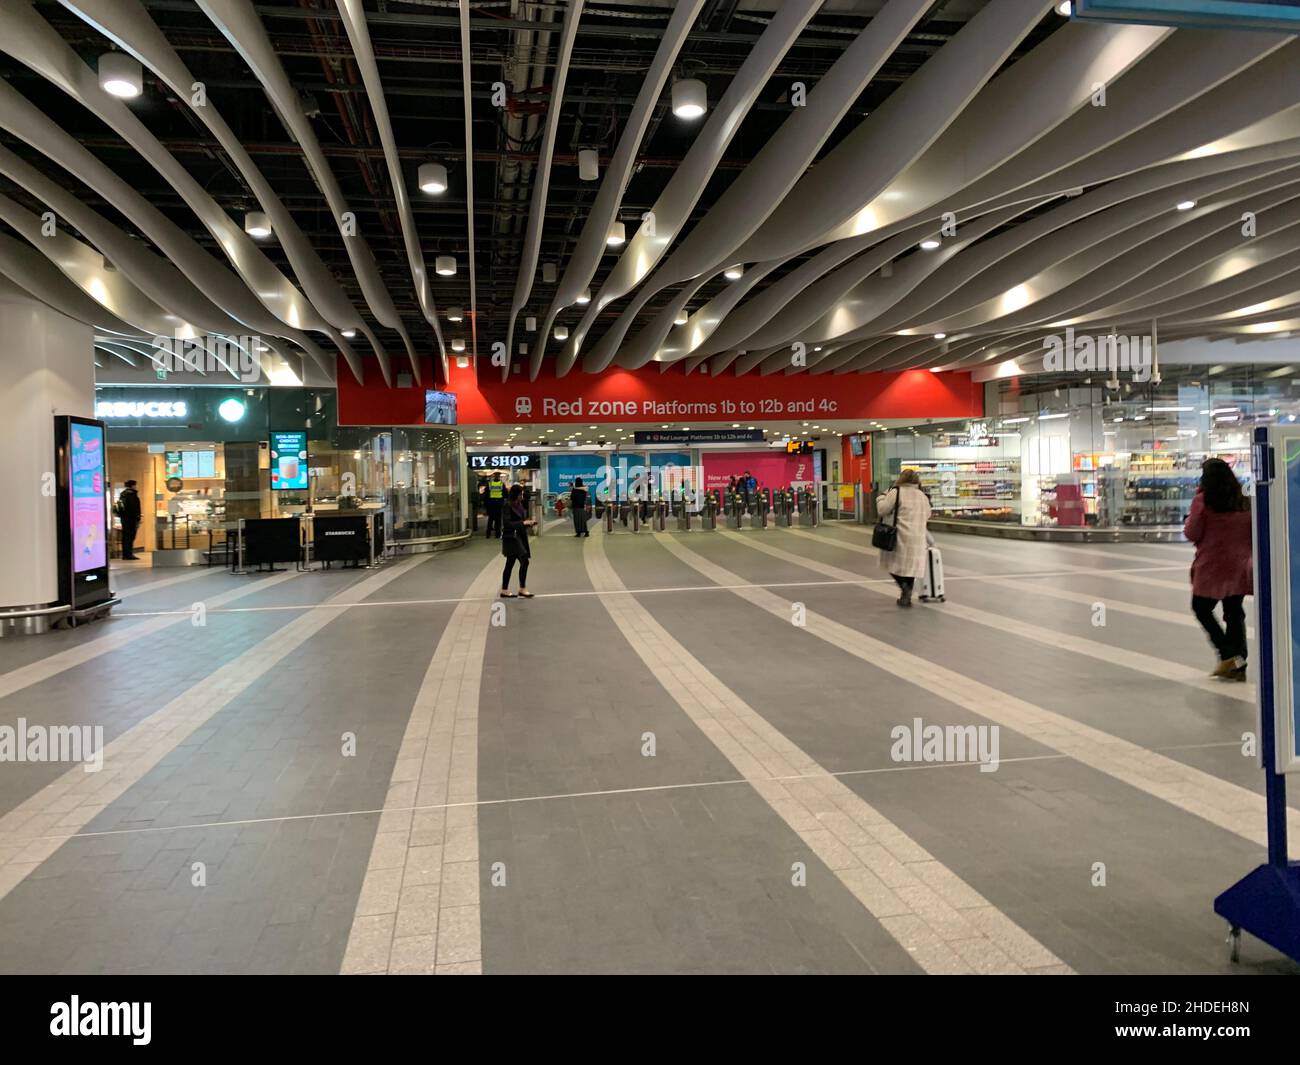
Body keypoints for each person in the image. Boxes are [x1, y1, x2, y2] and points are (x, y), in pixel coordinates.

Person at [1184, 457, 1252, 681]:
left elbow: (1192, 533)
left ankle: (1228, 655)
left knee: (1201, 607)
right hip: (1239, 565)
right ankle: (1238, 663)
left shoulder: (1203, 501)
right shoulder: (1243, 500)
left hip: (1212, 566)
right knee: (1234, 612)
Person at [876, 468, 933, 607]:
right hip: (917, 537)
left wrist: (881, 497)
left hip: (900, 536)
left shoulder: (896, 492)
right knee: (910, 569)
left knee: (891, 564)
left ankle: (904, 589)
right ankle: (905, 596)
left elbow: (882, 510)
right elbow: (928, 514)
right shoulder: (922, 496)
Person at [500, 483, 535, 598]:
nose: (522, 496)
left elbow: (521, 520)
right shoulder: (507, 505)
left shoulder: (519, 505)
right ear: (516, 494)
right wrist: (523, 523)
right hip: (512, 537)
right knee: (524, 561)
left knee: (510, 563)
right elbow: (507, 523)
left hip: (519, 536)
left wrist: (528, 523)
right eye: (520, 494)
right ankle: (521, 588)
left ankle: (506, 590)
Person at [116, 479, 142, 559]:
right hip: (131, 519)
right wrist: (137, 517)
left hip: (124, 519)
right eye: (135, 485)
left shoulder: (122, 494)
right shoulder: (132, 495)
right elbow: (134, 508)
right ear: (133, 485)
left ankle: (125, 554)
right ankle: (129, 554)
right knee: (130, 536)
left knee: (125, 536)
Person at [484, 471, 505, 539]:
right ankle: (497, 535)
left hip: (491, 504)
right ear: (499, 476)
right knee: (498, 520)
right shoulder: (501, 484)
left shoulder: (490, 484)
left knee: (490, 519)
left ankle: (488, 534)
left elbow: (486, 495)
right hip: (498, 504)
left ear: (494, 476)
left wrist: (486, 505)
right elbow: (505, 494)